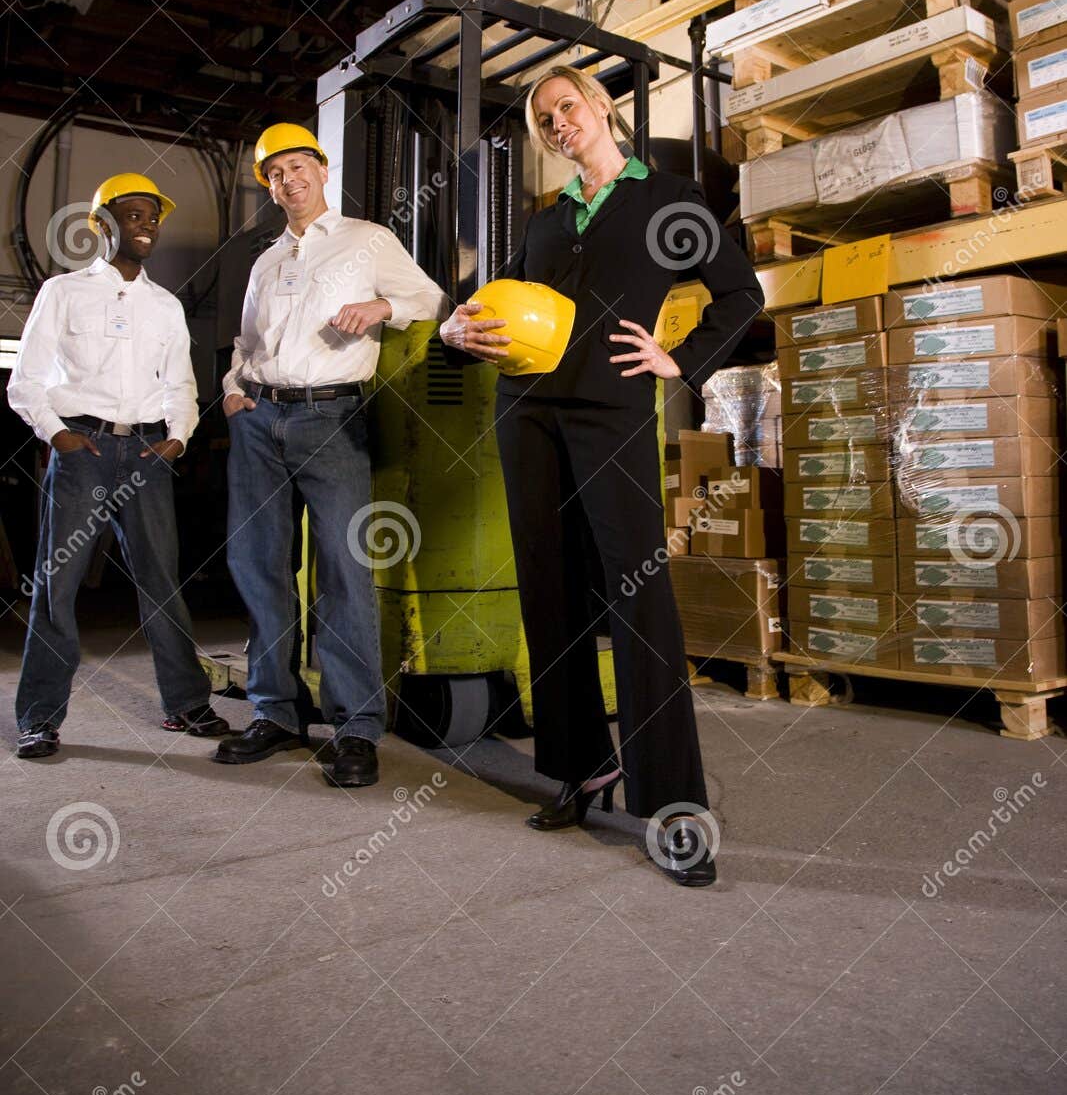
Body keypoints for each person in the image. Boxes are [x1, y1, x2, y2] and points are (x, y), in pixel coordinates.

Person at [440, 66, 765, 888]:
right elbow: (499, 298)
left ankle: (672, 804)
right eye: (543, 118)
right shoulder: (546, 220)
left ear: (599, 107)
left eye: (566, 106)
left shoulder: (667, 199)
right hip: (527, 412)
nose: (557, 123)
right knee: (549, 588)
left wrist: (677, 361)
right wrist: (455, 325)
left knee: (638, 594)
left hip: (612, 412)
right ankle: (581, 769)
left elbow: (740, 295)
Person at [215, 122, 448, 787]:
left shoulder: (366, 240)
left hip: (332, 417)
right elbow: (245, 342)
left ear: (321, 169)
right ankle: (275, 714)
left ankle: (353, 727)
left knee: (345, 571)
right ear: (270, 186)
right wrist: (234, 389)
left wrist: (381, 306)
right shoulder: (266, 261)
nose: (288, 181)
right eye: (275, 174)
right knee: (260, 568)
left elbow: (429, 297)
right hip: (259, 419)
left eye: (298, 167)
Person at [9, 173, 229, 759]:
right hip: (85, 451)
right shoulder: (63, 293)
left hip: (147, 454)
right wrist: (59, 436)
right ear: (102, 225)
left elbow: (181, 382)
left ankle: (185, 705)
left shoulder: (166, 305)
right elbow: (26, 382)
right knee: (57, 587)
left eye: (153, 216)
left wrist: (179, 437)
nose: (147, 225)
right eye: (133, 215)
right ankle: (39, 718)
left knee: (163, 581)